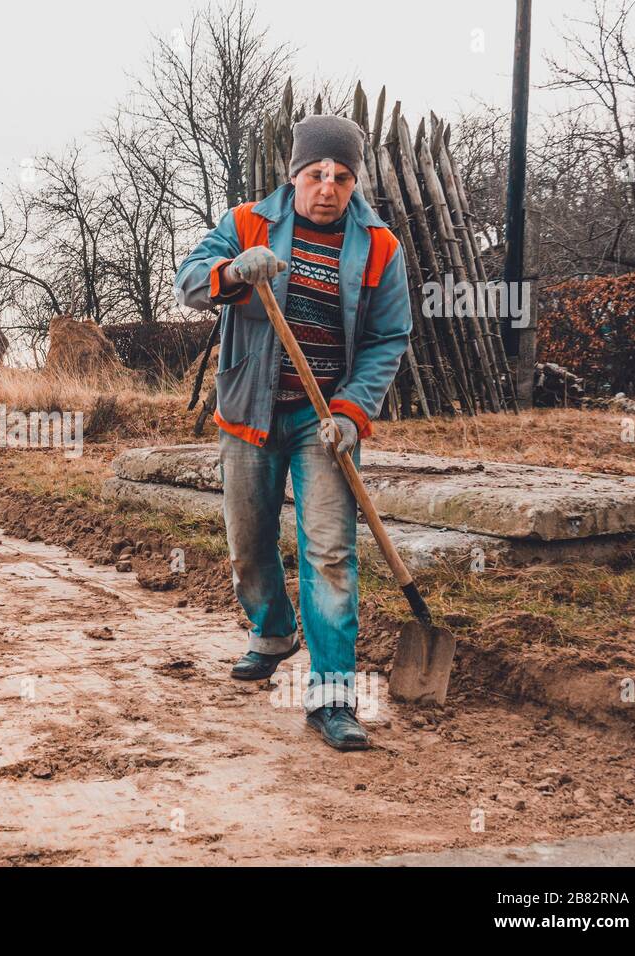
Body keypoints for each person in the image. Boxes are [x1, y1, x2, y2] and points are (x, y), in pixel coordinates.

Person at [173, 114, 412, 751]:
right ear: (295, 175)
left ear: (355, 182)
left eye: (342, 177)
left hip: (325, 418)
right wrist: (229, 271)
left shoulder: (381, 246)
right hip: (250, 410)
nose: (328, 188)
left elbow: (390, 337)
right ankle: (274, 629)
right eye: (316, 175)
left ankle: (332, 697)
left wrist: (352, 412)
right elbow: (189, 280)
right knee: (249, 545)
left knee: (330, 554)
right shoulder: (247, 220)